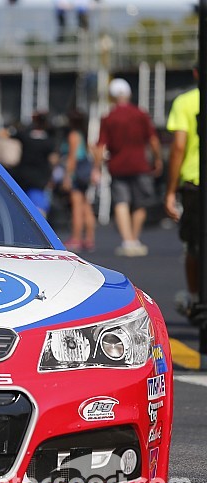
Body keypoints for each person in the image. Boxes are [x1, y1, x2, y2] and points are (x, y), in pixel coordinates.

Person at [93, 78, 163, 257]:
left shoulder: (108, 117)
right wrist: (158, 159)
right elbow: (153, 140)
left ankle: (127, 241)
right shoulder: (140, 114)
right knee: (141, 202)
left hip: (117, 166)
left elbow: (101, 146)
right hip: (140, 164)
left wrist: (96, 167)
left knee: (121, 202)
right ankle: (135, 237)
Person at [165, 67, 201, 321]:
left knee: (193, 244)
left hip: (195, 183)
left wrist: (170, 191)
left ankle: (195, 297)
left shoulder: (186, 102)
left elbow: (179, 146)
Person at [60, 110, 96, 252]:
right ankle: (89, 238)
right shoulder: (84, 135)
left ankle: (76, 238)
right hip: (85, 172)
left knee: (76, 206)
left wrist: (67, 176)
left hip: (77, 172)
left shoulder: (73, 135)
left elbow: (72, 157)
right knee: (86, 206)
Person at [11, 112, 56, 217]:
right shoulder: (49, 141)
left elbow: (7, 134)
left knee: (21, 206)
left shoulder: (25, 136)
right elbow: (53, 160)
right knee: (38, 210)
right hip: (40, 177)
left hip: (23, 175)